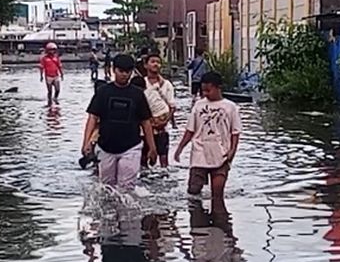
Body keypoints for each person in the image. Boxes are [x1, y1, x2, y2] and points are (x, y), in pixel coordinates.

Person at [83, 53, 157, 188]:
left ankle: (127, 209)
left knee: (127, 187)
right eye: (121, 71)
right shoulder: (103, 92)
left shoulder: (137, 94)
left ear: (132, 72)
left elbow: (146, 122)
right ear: (113, 70)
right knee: (106, 187)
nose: (124, 75)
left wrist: (152, 147)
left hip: (131, 147)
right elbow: (92, 117)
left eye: (128, 72)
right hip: (106, 147)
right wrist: (86, 142)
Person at [174, 71, 241, 203]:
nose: (205, 94)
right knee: (193, 191)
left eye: (208, 90)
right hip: (200, 154)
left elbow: (235, 132)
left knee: (217, 194)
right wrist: (180, 148)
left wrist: (232, 150)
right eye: (203, 90)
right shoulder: (198, 106)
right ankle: (198, 219)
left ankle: (220, 221)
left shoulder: (231, 107)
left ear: (218, 88)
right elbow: (190, 129)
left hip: (221, 154)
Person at [142, 53, 177, 168]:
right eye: (152, 61)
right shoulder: (141, 84)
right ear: (145, 65)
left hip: (162, 128)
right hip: (144, 129)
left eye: (158, 62)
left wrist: (164, 122)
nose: (156, 64)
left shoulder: (167, 85)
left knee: (163, 159)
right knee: (143, 159)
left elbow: (172, 106)